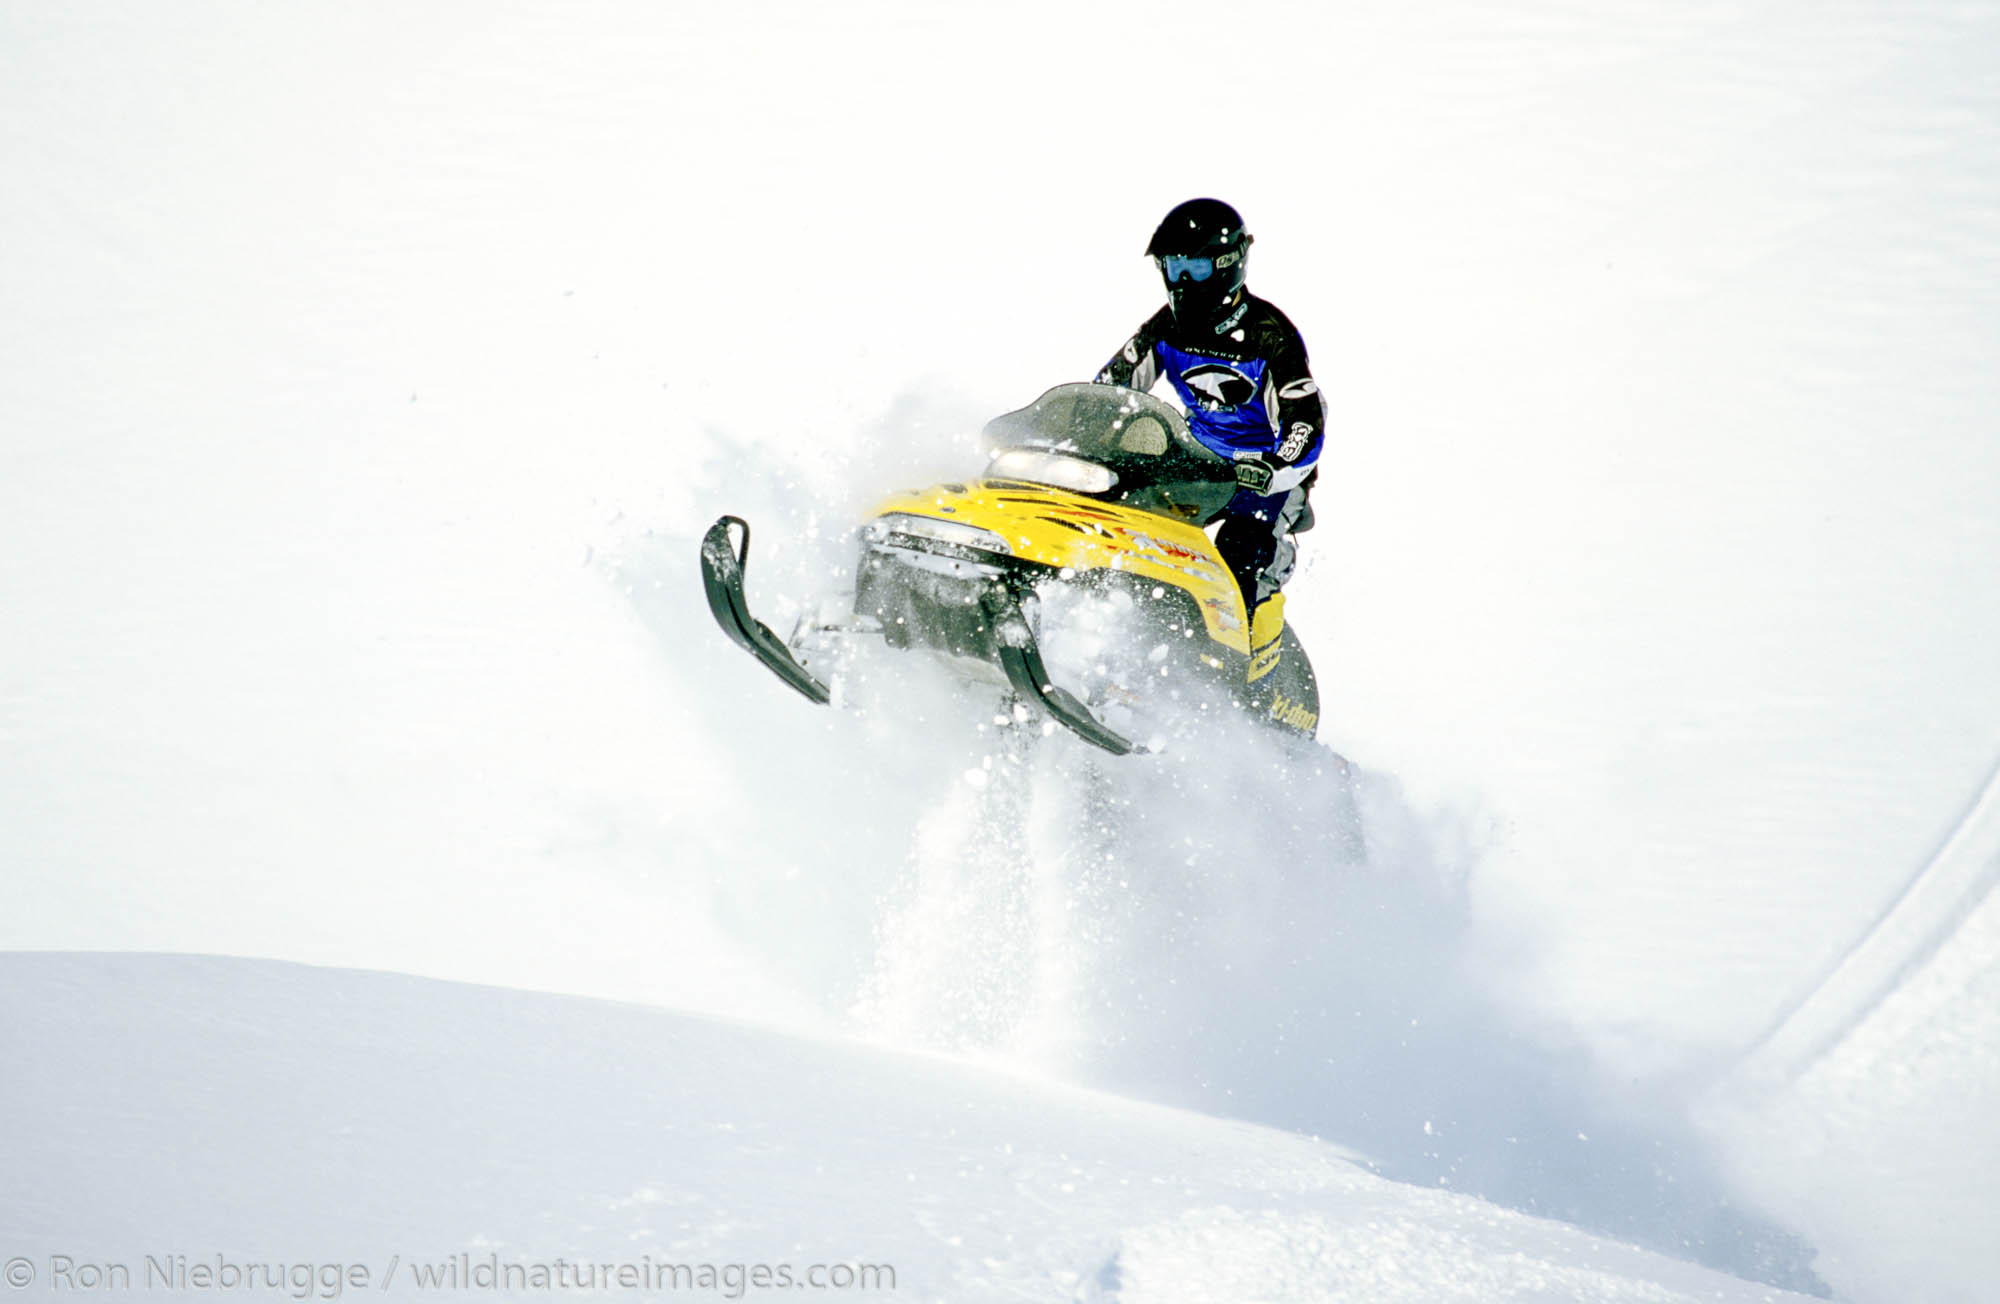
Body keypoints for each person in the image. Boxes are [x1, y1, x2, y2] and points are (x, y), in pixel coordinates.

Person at [1095, 198, 1324, 676]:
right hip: (1199, 460)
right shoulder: (1166, 327)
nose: (1182, 281)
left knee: (1243, 553)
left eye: (1195, 267)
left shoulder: (1270, 336)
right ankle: (1109, 626)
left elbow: (1304, 421)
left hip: (1265, 477)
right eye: (1173, 267)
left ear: (1228, 264)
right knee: (1121, 512)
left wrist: (1278, 466)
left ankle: (1245, 677)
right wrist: (1086, 430)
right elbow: (1112, 387)